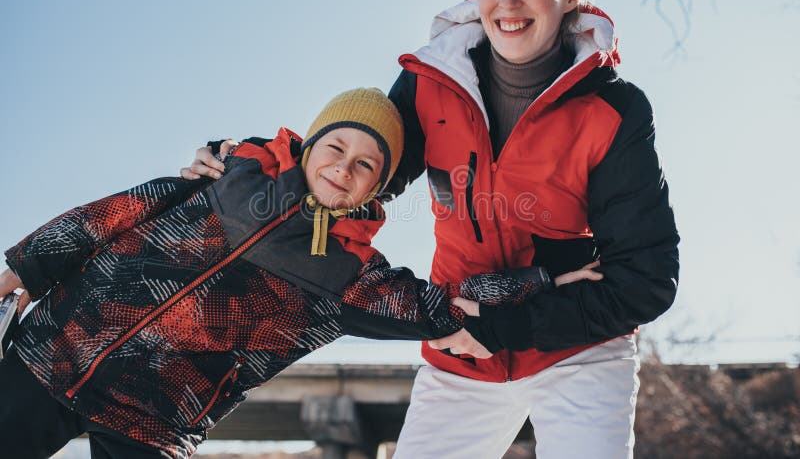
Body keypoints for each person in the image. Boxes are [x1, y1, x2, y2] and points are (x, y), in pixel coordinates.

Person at [185, 0, 680, 457]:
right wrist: (245, 166)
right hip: (462, 347)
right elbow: (351, 172)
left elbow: (645, 281)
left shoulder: (613, 111)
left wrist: (509, 325)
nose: (508, 1)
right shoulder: (432, 84)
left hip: (575, 347)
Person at [0, 87, 592, 459]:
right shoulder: (231, 176)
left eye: (366, 165)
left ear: (375, 188)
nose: (343, 168)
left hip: (151, 420)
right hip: (51, 349)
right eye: (336, 147)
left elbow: (451, 305)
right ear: (311, 145)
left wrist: (546, 277)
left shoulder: (352, 278)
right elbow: (113, 214)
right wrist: (19, 268)